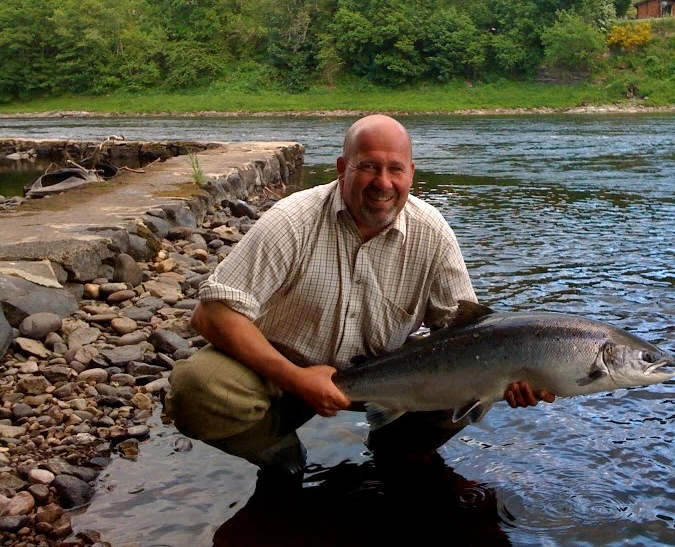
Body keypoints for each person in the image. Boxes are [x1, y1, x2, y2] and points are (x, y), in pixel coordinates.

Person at [165, 114, 553, 474]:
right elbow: (211, 314)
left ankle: (393, 451)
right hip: (277, 374)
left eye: (395, 169)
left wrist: (516, 375)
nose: (383, 183)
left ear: (411, 173)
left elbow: (468, 334)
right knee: (198, 387)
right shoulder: (292, 220)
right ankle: (276, 449)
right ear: (342, 168)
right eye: (368, 166)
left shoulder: (432, 234)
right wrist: (297, 379)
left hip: (383, 378)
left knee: (469, 380)